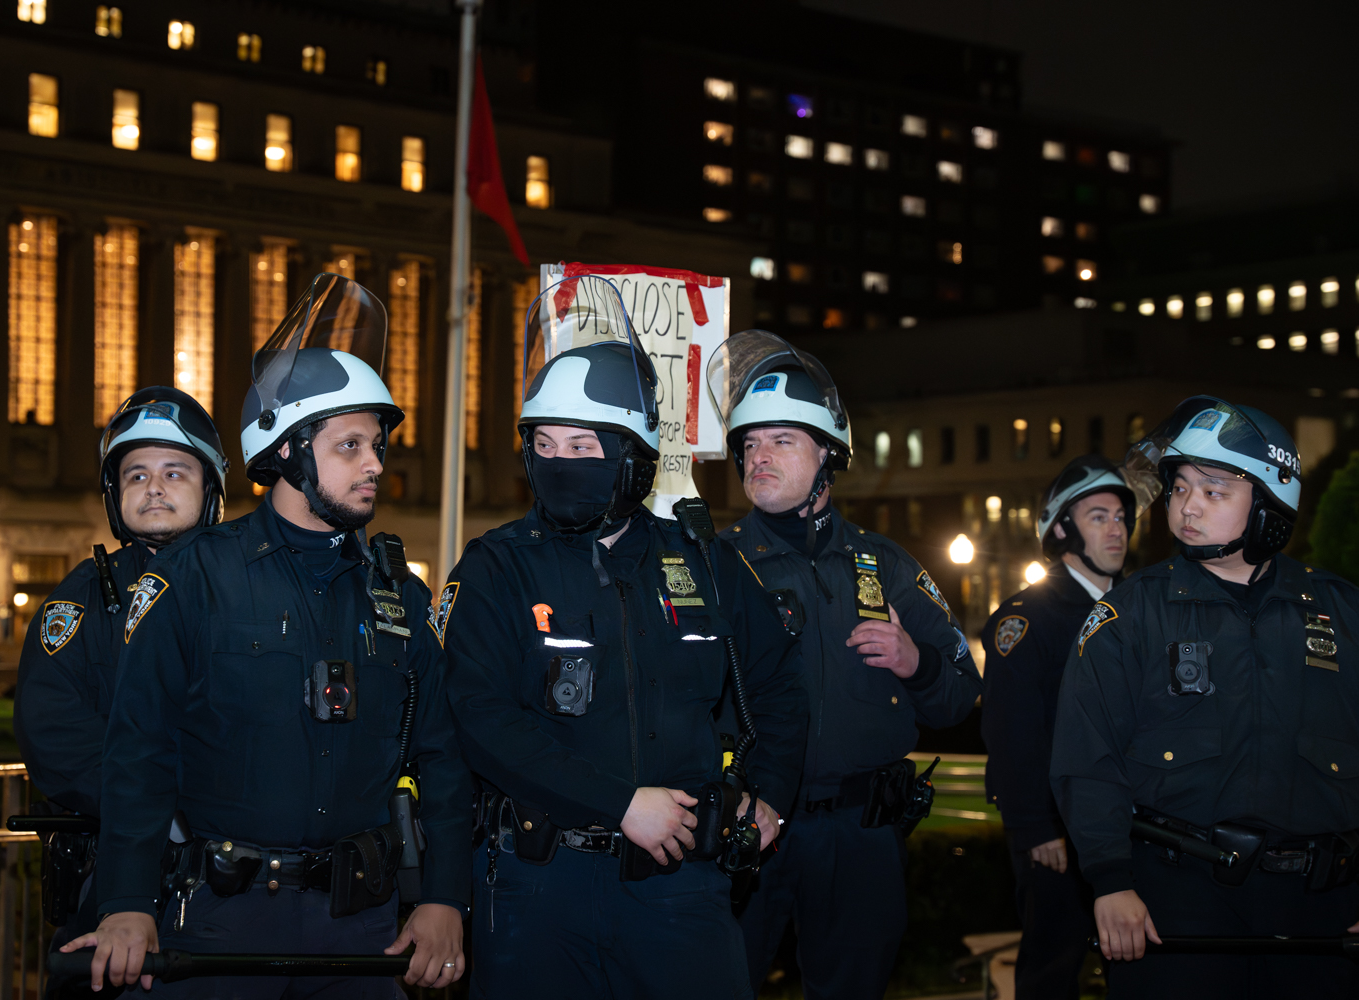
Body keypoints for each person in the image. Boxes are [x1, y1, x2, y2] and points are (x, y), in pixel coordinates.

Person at [62, 275, 473, 997]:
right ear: (285, 452)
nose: (375, 463)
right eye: (350, 445)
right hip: (220, 927)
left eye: (375, 444)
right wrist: (127, 900)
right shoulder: (194, 577)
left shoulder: (399, 593)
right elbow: (140, 749)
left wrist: (445, 898)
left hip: (361, 930)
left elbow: (441, 757)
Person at [444, 279, 807, 1000]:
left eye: (583, 444)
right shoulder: (495, 566)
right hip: (536, 889)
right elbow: (481, 720)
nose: (560, 461)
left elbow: (780, 687)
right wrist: (617, 802)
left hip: (681, 891)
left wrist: (769, 798)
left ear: (633, 461)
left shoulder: (702, 560)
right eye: (543, 444)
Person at [1051, 396, 1359, 998]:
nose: (1187, 507)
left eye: (1214, 491)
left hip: (1319, 910)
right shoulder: (1130, 613)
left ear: (1270, 504)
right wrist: (1111, 882)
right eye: (1180, 488)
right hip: (1174, 906)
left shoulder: (1342, 612)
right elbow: (1085, 758)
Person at [708, 330, 983, 1000]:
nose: (758, 457)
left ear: (828, 455)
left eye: (781, 441)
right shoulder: (714, 565)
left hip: (861, 835)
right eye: (749, 443)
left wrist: (916, 662)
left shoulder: (884, 565)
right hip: (752, 826)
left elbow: (958, 698)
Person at [13, 386, 227, 986]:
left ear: (211, 488)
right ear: (114, 495)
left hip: (240, 887)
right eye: (136, 474)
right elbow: (52, 730)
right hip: (109, 880)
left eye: (174, 471)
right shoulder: (81, 598)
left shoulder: (252, 592)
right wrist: (167, 811)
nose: (154, 487)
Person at [981, 455, 1139, 999]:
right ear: (1062, 530)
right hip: (1058, 830)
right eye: (1099, 516)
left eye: (1120, 517)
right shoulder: (1030, 617)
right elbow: (1010, 729)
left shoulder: (1134, 609)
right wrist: (1035, 827)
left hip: (1127, 823)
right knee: (1054, 962)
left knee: (1137, 960)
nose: (1116, 529)